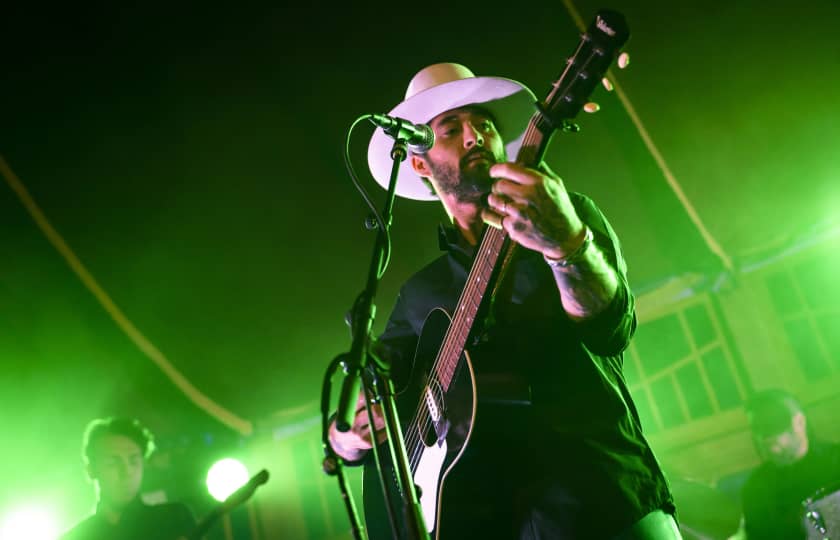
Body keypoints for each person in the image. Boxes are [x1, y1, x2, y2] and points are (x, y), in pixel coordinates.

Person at [328, 62, 679, 539]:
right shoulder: (420, 294)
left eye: (485, 123)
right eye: (452, 128)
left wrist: (566, 245)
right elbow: (374, 394)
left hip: (603, 502)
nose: (475, 135)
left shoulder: (562, 212)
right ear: (417, 163)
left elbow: (611, 329)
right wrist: (347, 435)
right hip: (489, 523)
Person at [61, 416, 197, 540]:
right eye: (113, 462)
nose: (127, 472)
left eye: (134, 461)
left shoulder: (174, 518)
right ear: (91, 470)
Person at [737, 388, 840, 539]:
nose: (764, 437)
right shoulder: (755, 488)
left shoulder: (836, 460)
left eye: (774, 423)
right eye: (757, 428)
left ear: (800, 422)